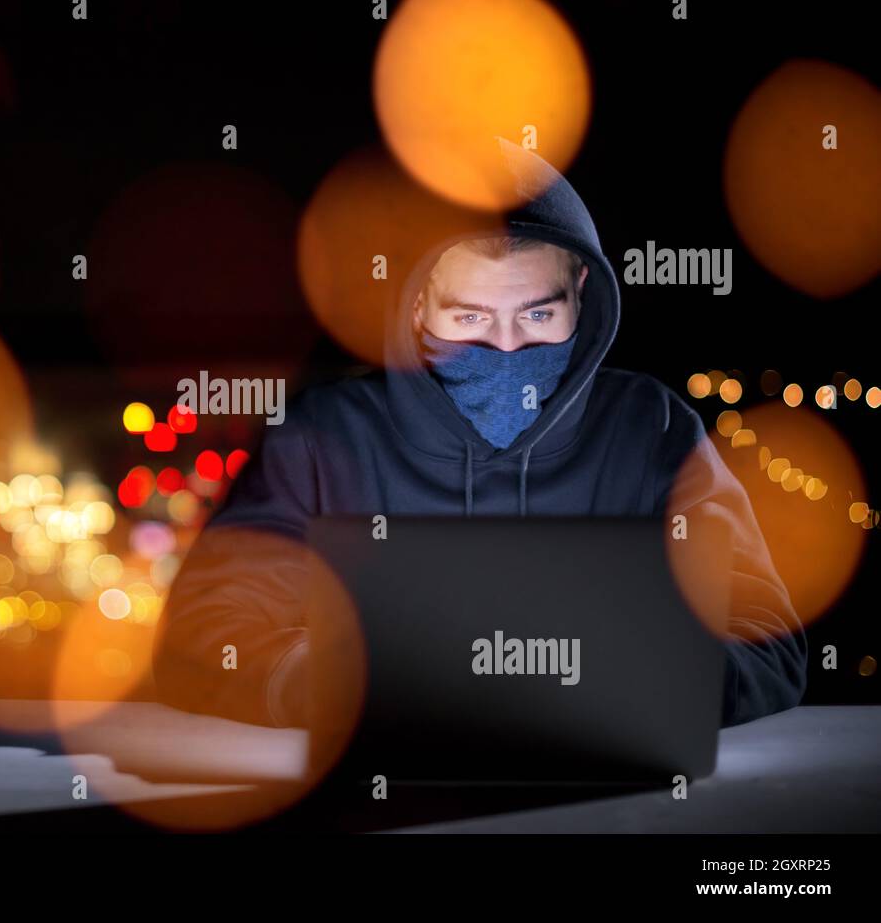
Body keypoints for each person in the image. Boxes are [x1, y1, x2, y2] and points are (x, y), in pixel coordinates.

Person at [153, 142, 807, 730]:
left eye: (537, 314)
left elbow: (765, 638)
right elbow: (202, 632)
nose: (505, 348)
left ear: (582, 291)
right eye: (469, 317)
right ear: (415, 304)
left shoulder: (651, 430)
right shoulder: (323, 441)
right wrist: (316, 682)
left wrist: (647, 683)